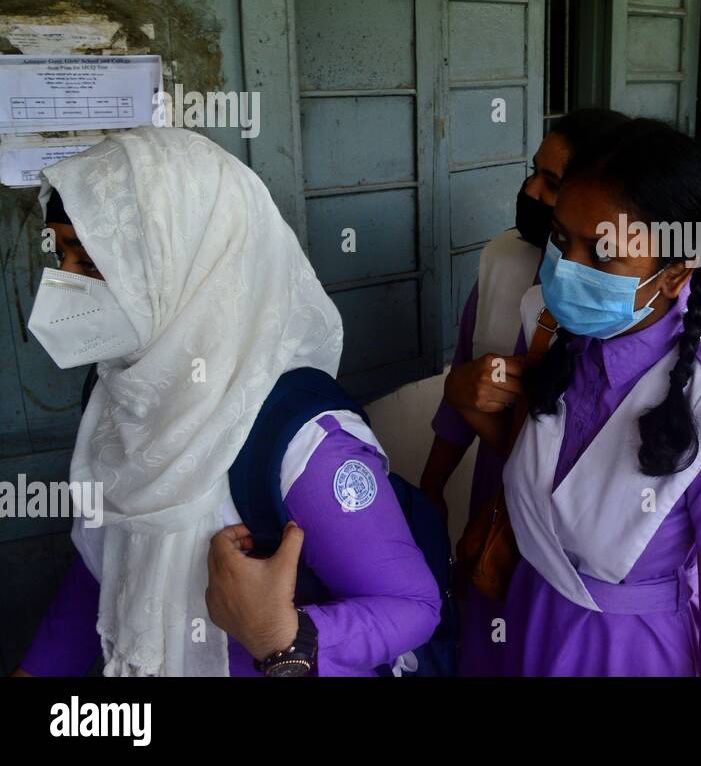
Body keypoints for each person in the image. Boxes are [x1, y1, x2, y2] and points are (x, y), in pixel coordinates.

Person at [17, 127, 441, 677]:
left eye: (93, 262)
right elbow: (109, 562)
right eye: (62, 255)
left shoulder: (299, 439)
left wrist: (282, 639)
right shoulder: (120, 395)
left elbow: (412, 608)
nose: (65, 282)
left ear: (185, 263)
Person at [422, 109, 701, 675]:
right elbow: (546, 479)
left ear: (676, 274)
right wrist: (466, 400)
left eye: (603, 253)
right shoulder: (554, 336)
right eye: (562, 240)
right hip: (527, 621)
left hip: (626, 651)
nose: (567, 268)